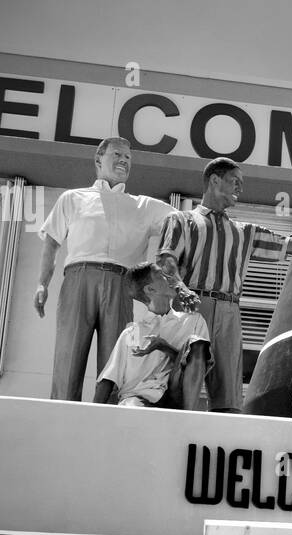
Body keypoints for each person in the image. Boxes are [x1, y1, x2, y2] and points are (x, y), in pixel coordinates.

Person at [155, 158, 292, 413]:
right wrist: (181, 289)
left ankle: (223, 445)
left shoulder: (243, 231)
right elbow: (166, 260)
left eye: (241, 183)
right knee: (184, 383)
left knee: (229, 394)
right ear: (215, 180)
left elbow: (285, 244)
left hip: (230, 310)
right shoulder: (181, 220)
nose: (239, 188)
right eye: (234, 181)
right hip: (193, 307)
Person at [35, 137, 192, 401]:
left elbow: (184, 224)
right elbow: (51, 244)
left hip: (122, 283)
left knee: (115, 360)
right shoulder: (73, 198)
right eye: (117, 154)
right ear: (98, 159)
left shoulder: (144, 205)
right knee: (68, 355)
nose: (123, 161)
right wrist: (42, 283)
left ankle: (108, 418)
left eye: (128, 158)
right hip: (78, 278)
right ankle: (61, 415)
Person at [93, 262, 211, 410]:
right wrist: (90, 418)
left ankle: (187, 420)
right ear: (150, 289)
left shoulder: (194, 321)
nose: (170, 278)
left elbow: (198, 369)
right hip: (137, 400)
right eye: (161, 275)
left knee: (197, 344)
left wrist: (165, 347)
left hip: (177, 399)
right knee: (131, 405)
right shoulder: (131, 333)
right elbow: (108, 379)